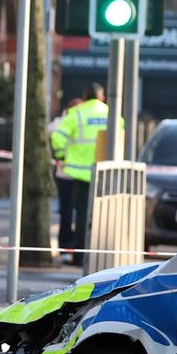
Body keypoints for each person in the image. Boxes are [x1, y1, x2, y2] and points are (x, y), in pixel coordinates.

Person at [50, 84, 109, 264]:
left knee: (78, 213)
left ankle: (78, 254)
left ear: (84, 97)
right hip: (104, 172)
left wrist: (60, 155)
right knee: (100, 215)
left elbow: (57, 137)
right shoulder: (110, 114)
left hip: (78, 172)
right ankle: (98, 255)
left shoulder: (77, 113)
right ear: (102, 97)